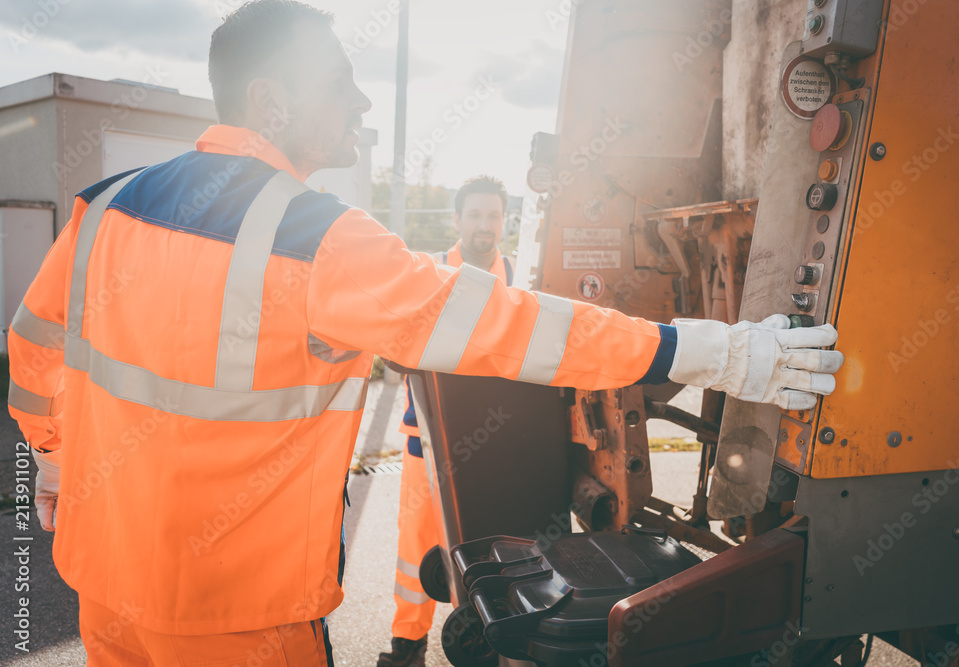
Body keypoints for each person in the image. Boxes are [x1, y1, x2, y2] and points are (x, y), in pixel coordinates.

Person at [5, 1, 843, 665]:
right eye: (342, 82)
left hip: (104, 585)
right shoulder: (311, 236)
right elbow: (518, 329)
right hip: (234, 619)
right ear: (272, 101)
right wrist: (724, 352)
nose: (362, 100)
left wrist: (48, 457)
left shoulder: (105, 205)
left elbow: (34, 352)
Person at [379, 176, 514, 667]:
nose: (485, 225)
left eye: (494, 216)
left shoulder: (516, 279)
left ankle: (493, 641)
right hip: (429, 436)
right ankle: (406, 648)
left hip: (494, 438)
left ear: (505, 222)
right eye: (475, 215)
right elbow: (392, 341)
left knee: (491, 545)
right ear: (457, 220)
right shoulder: (427, 275)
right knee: (416, 544)